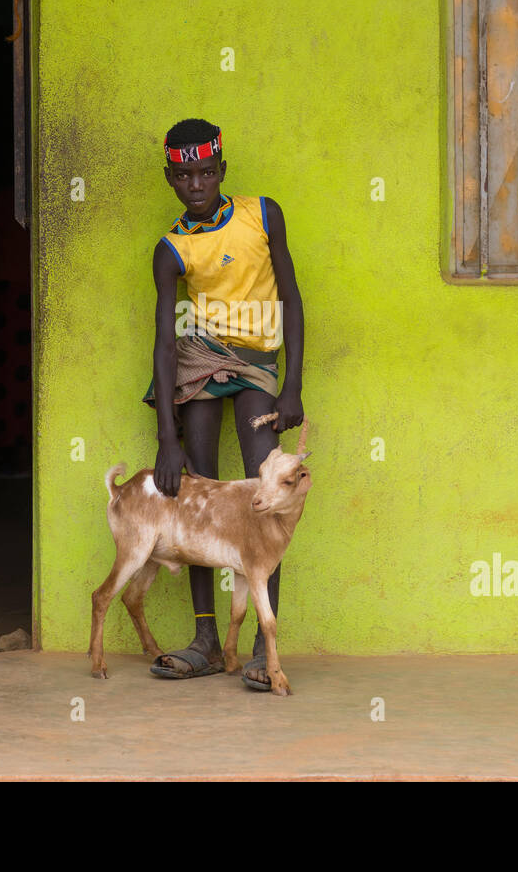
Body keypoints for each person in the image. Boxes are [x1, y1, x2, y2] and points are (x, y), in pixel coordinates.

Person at [142, 119, 306, 689]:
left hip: (258, 362)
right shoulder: (171, 248)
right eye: (184, 175)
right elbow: (165, 343)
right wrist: (168, 436)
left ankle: (264, 650)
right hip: (199, 360)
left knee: (269, 489)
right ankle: (207, 639)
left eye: (206, 172)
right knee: (197, 498)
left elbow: (290, 297)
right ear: (170, 177)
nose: (196, 183)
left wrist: (292, 386)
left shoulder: (264, 214)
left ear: (222, 171)